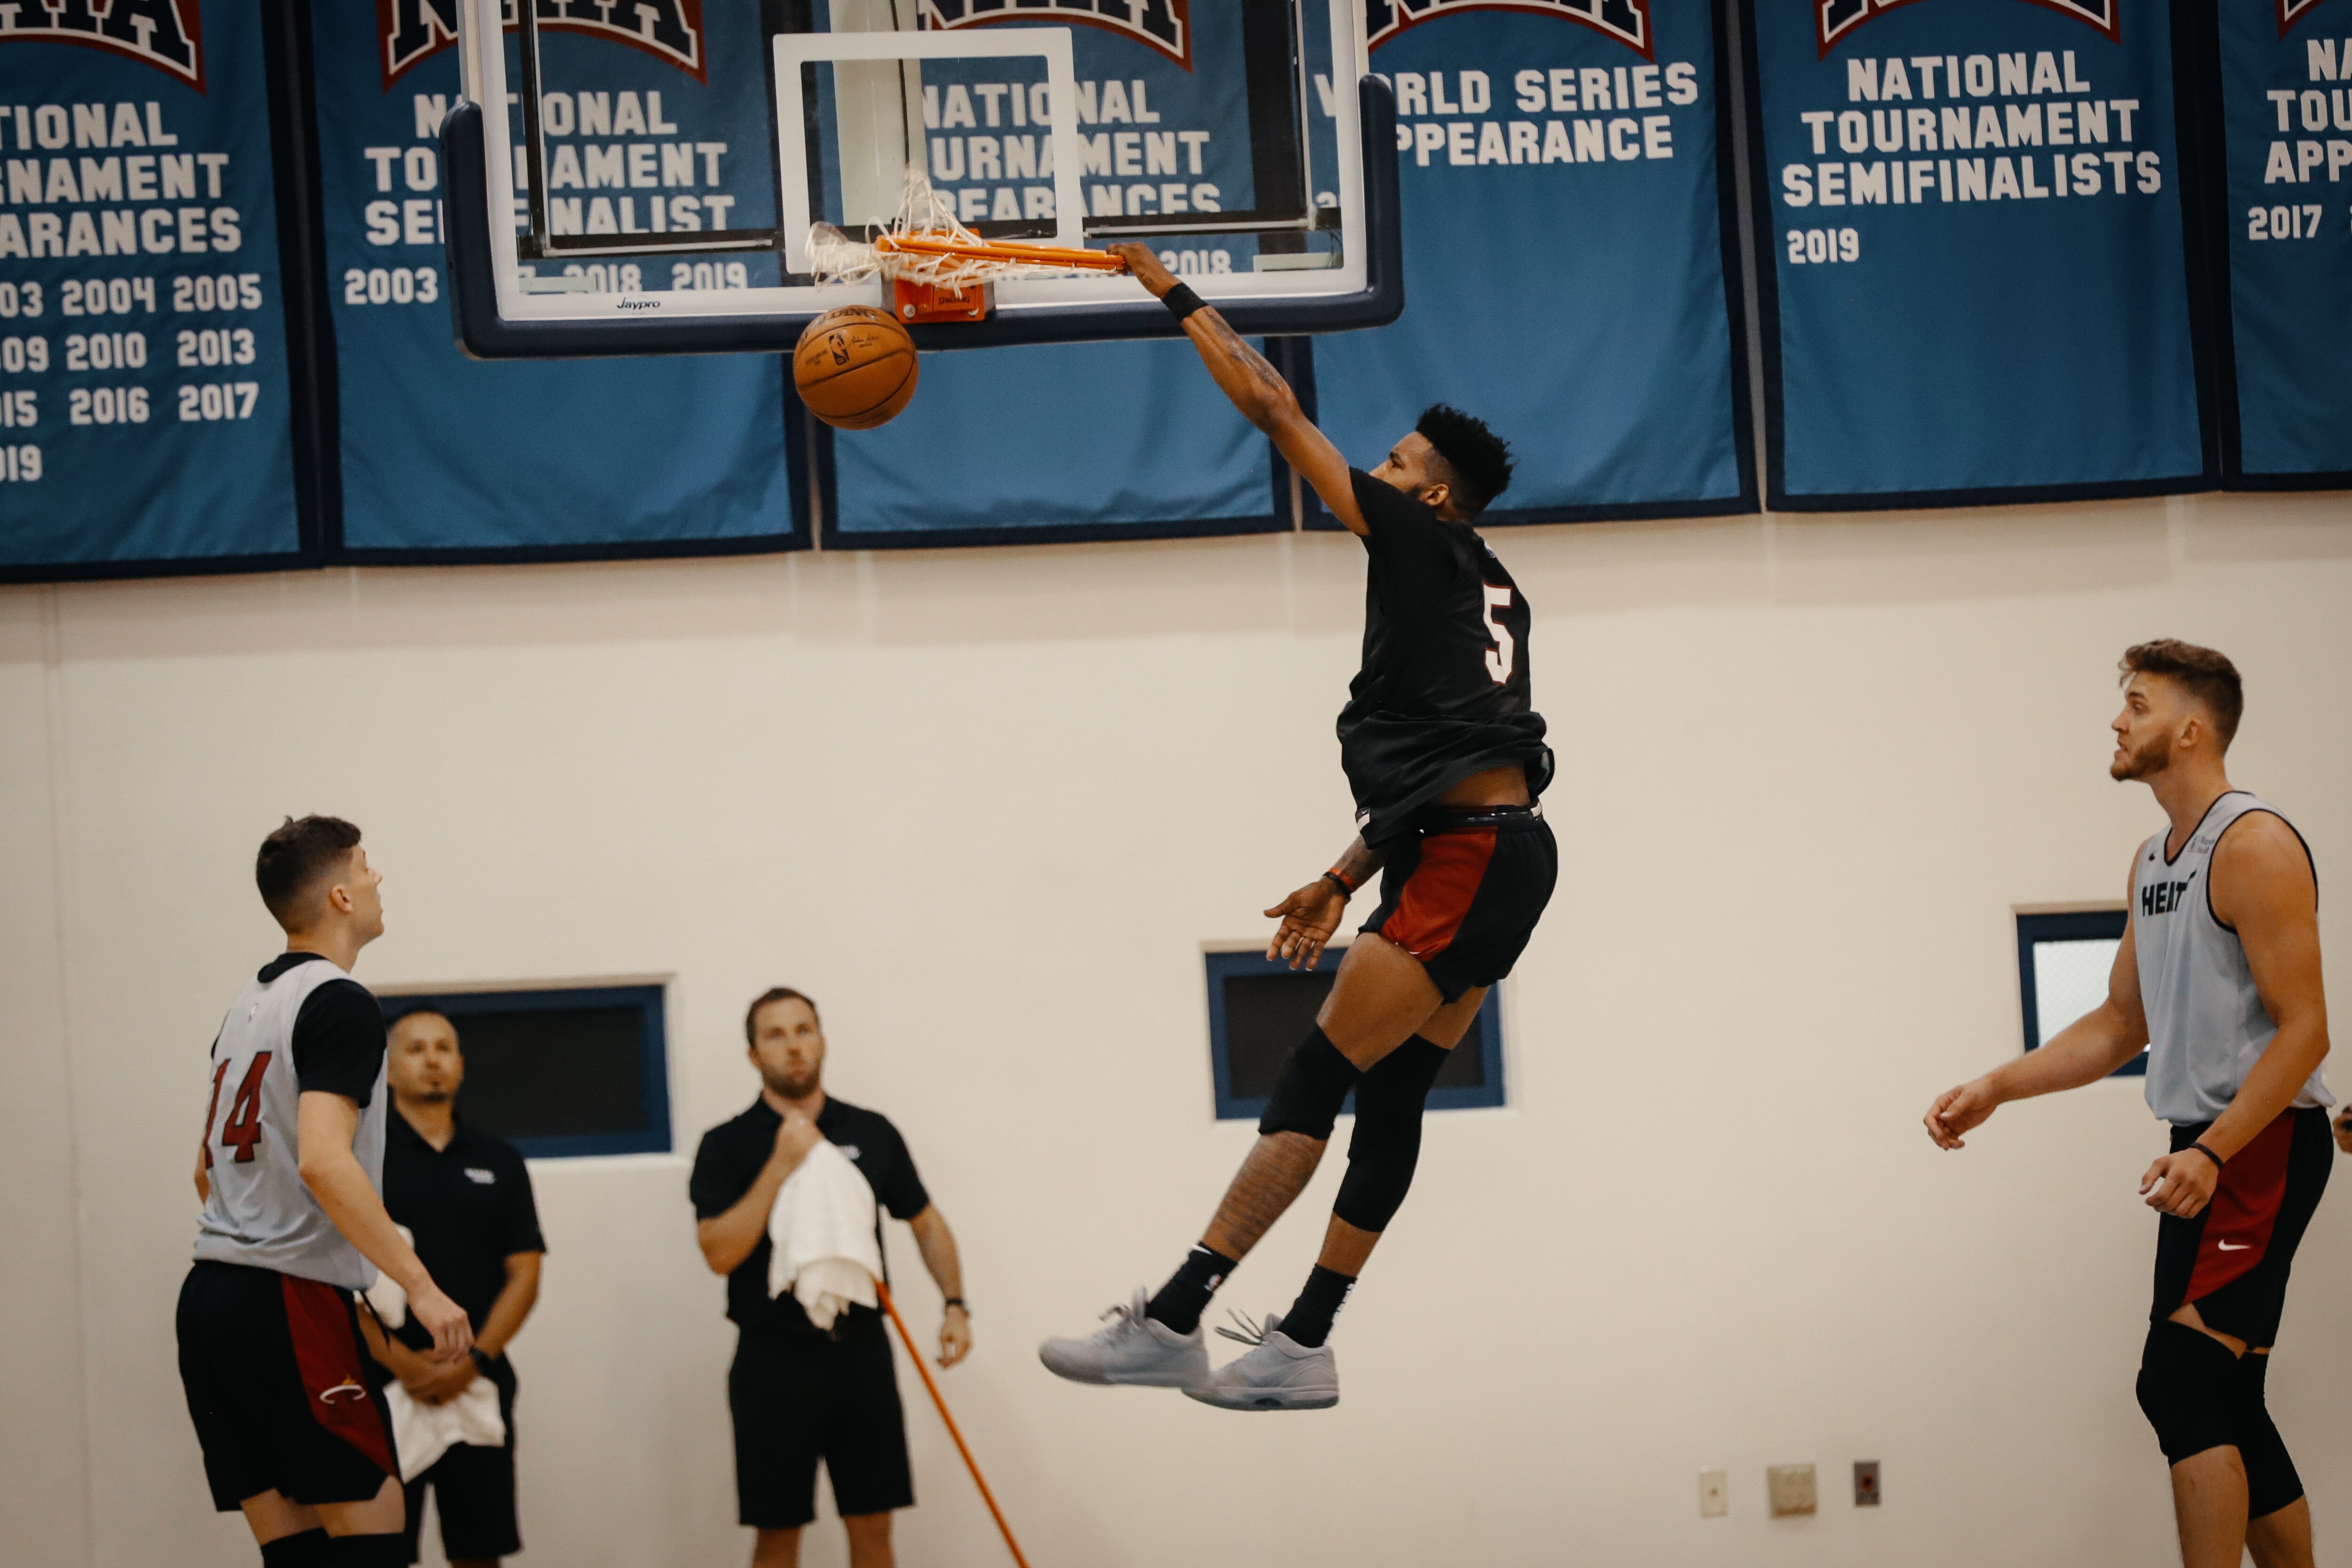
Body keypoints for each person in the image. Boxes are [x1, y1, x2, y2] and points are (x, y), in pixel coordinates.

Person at [1037, 247, 1558, 1411]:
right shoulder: (1496, 588)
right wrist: (1342, 872)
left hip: (1471, 859)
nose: (1374, 470)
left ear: (1430, 497)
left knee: (1318, 1070)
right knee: (1391, 1094)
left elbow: (1272, 406)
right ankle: (1303, 1341)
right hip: (1490, 854)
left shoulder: (1418, 540)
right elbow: (1469, 759)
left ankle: (1174, 1319)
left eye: (1394, 463)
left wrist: (1160, 283)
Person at [1924, 641, 2331, 1568]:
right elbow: (2118, 1022)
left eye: (2137, 706)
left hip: (2257, 1144)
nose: (2117, 721)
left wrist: (2216, 1151)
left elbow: (2306, 1032)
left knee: (2179, 1383)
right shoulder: (2154, 857)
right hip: (2211, 1146)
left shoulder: (2255, 843)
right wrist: (1996, 1085)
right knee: (2220, 1394)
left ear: (2189, 730)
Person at [177, 816, 474, 1567]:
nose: (380, 881)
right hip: (287, 1299)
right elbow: (323, 1160)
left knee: (297, 1549)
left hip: (210, 1297)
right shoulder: (338, 1000)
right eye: (369, 868)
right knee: (374, 1533)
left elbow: (206, 1170)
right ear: (341, 894)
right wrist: (421, 1285)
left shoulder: (244, 1008)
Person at [690, 987, 972, 1568]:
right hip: (771, 1360)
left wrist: (955, 1305)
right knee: (777, 1537)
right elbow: (719, 1253)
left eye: (803, 1030)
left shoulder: (871, 1132)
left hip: (860, 1355)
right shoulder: (726, 1144)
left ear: (821, 1040)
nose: (793, 1047)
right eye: (775, 1035)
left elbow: (925, 1222)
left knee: (873, 1531)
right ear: (752, 1054)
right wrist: (780, 1164)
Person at [359, 1010, 546, 1568]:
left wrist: (475, 1360)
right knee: (380, 1553)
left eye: (444, 1048)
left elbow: (526, 1274)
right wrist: (405, 1366)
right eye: (416, 1049)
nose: (433, 1059)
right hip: (383, 1390)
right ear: (389, 1070)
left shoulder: (499, 1161)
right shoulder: (361, 1161)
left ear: (461, 1066)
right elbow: (337, 1281)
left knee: (479, 1552)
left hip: (477, 1382)